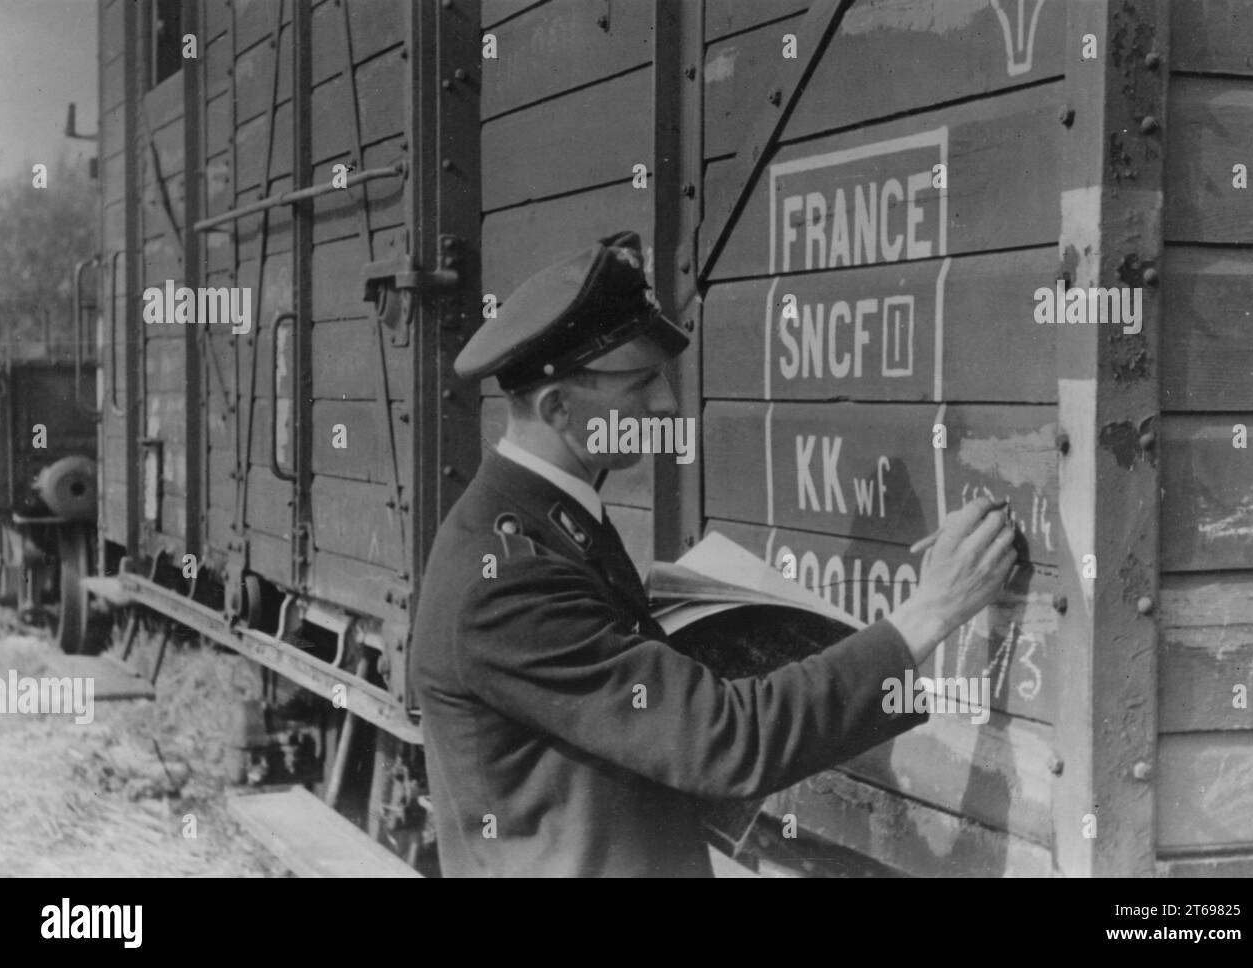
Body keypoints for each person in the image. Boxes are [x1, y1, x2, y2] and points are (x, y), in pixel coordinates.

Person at [408, 230, 1017, 877]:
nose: (666, 401)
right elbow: (724, 742)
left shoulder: (546, 521)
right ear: (559, 406)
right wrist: (932, 608)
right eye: (640, 382)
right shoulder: (506, 578)